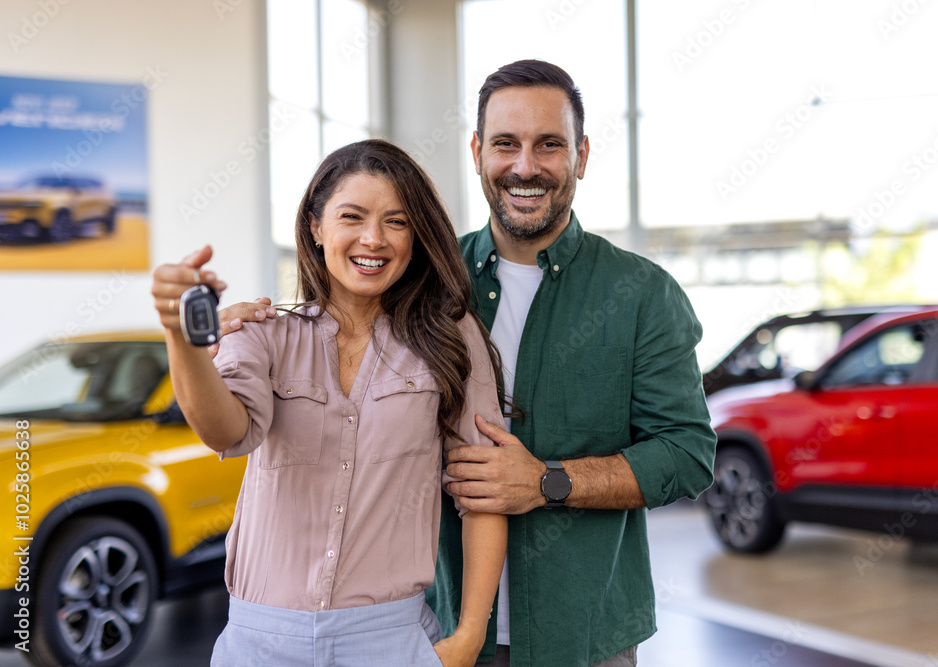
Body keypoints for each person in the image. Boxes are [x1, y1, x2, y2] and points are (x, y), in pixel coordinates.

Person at [220, 61, 717, 667]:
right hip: (436, 630)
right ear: (479, 152)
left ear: (581, 156)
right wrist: (240, 328)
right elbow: (332, 332)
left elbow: (686, 455)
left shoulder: (642, 295)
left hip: (583, 635)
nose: (526, 167)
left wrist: (547, 481)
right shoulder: (421, 282)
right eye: (506, 144)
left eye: (550, 145)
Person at [151, 139, 507, 667]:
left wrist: (470, 636)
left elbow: (484, 492)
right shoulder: (265, 335)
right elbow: (224, 430)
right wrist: (181, 339)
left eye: (397, 221)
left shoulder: (451, 339)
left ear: (417, 237)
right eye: (352, 217)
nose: (373, 239)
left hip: (393, 640)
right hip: (259, 642)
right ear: (316, 228)